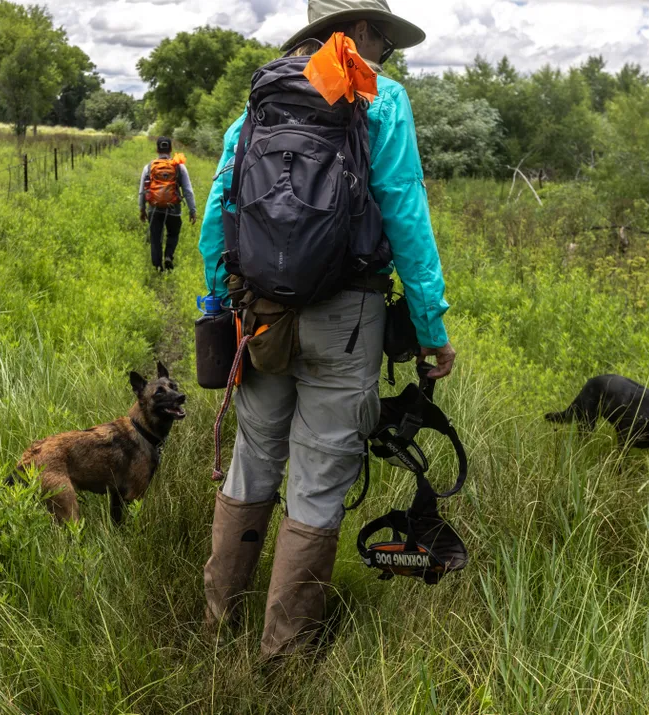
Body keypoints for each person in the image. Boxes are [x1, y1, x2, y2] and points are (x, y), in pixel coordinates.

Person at [199, 0, 456, 659]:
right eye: (384, 42)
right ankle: (281, 658)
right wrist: (430, 329)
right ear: (359, 31)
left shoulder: (263, 97)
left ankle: (217, 620)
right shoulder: (383, 98)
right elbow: (406, 218)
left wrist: (234, 300)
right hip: (349, 318)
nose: (386, 56)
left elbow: (214, 222)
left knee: (253, 459)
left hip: (261, 317)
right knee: (317, 480)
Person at [139, 137, 197, 271]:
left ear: (157, 149)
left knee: (155, 237)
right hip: (173, 209)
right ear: (171, 149)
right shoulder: (179, 167)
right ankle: (169, 256)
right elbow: (188, 190)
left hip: (154, 208)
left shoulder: (149, 167)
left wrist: (142, 209)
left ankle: (158, 266)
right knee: (173, 233)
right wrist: (192, 210)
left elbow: (142, 190)